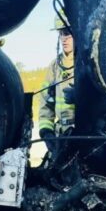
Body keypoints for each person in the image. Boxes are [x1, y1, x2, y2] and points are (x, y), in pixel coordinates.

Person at [37, 13, 75, 161]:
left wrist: (83, 97)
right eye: (61, 33)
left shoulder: (88, 63)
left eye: (67, 33)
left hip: (85, 135)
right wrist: (46, 131)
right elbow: (45, 103)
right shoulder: (54, 67)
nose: (64, 38)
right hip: (61, 137)